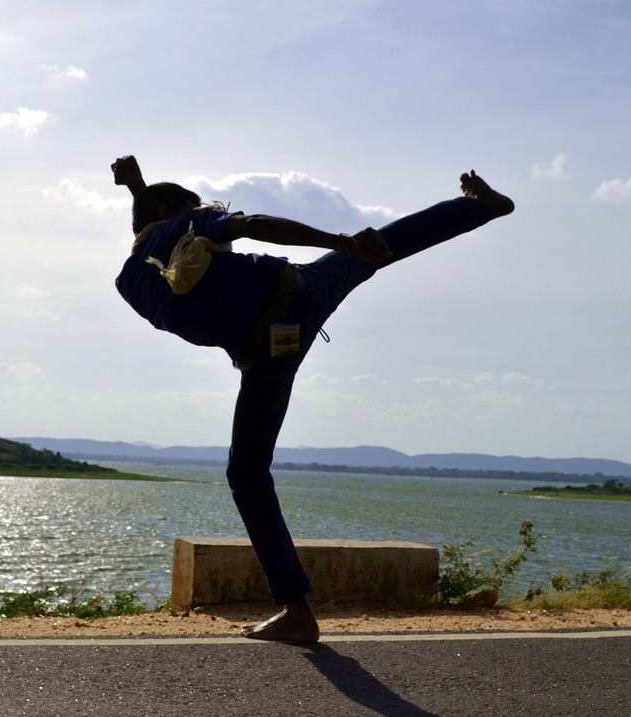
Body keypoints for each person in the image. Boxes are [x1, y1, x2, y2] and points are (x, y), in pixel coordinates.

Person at [112, 155, 514, 642]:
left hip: (264, 352)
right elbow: (252, 224)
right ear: (174, 210)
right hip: (298, 296)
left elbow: (150, 234)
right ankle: (480, 208)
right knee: (377, 247)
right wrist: (340, 241)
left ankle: (297, 611)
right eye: (190, 206)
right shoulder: (188, 222)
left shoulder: (130, 281)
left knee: (247, 475)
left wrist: (137, 188)